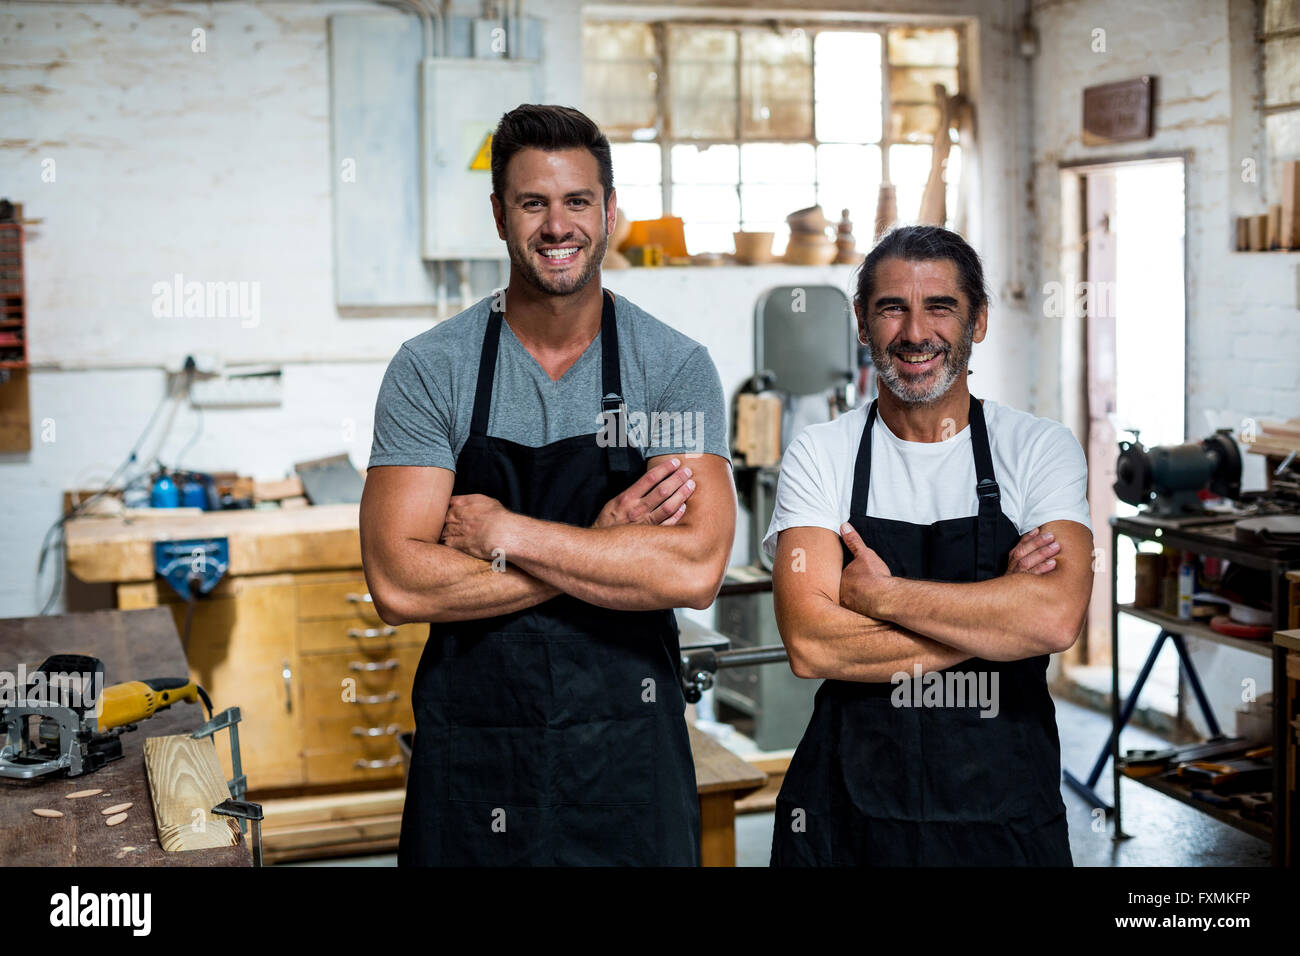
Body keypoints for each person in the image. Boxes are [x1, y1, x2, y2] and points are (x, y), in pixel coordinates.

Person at [361, 104, 736, 866]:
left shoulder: (671, 369)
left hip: (627, 756)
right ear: (499, 215)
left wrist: (510, 535)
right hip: (476, 755)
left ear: (610, 212)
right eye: (533, 203)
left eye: (578, 202)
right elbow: (399, 585)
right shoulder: (434, 369)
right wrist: (604, 549)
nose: (557, 225)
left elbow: (693, 572)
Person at [765, 225, 1093, 866]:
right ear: (862, 323)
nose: (916, 333)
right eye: (892, 308)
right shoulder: (822, 454)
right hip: (847, 814)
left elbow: (1055, 618)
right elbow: (809, 644)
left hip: (1003, 815)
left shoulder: (1038, 448)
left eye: (939, 306)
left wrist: (881, 597)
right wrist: (996, 618)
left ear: (979, 321)